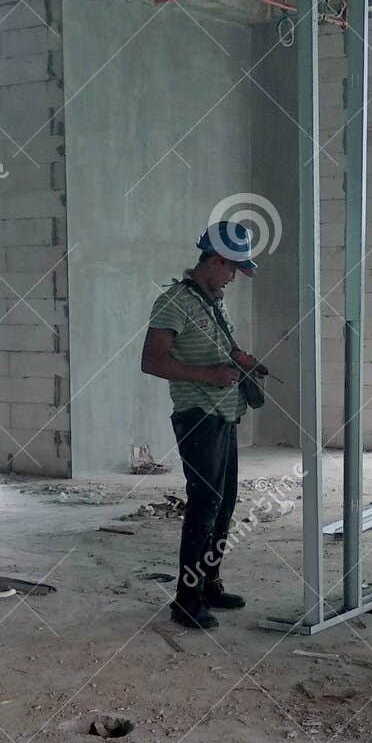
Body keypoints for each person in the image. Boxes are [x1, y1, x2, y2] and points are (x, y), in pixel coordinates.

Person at [140, 221, 268, 630]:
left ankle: (210, 583)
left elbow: (222, 345)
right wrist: (209, 376)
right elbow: (152, 361)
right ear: (213, 260)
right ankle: (186, 600)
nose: (233, 277)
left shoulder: (213, 299)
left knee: (223, 504)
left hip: (225, 414)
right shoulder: (173, 302)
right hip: (198, 417)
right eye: (231, 268)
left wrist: (240, 358)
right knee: (204, 506)